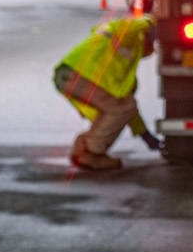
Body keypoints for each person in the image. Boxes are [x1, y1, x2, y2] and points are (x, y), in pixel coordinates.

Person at [54, 15, 162, 170]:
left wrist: (145, 135)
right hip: (78, 76)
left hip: (69, 74)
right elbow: (128, 27)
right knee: (118, 110)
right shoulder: (131, 39)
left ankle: (82, 149)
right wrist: (152, 21)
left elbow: (129, 106)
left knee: (119, 108)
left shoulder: (123, 62)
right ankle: (91, 153)